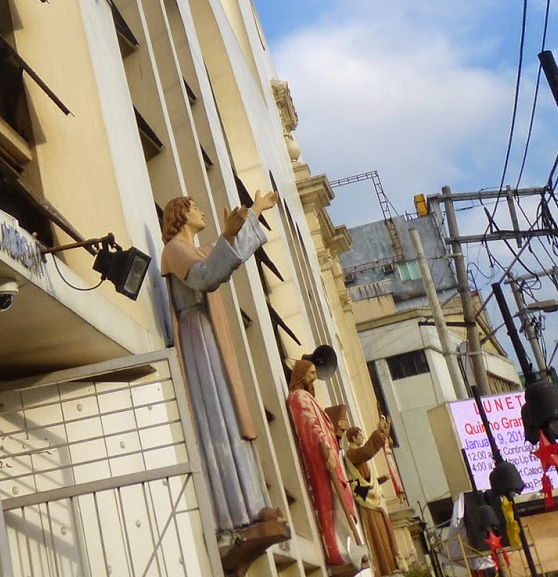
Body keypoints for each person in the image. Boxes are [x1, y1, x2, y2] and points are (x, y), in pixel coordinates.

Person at [160, 192, 285, 544]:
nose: (201, 210)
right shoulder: (174, 250)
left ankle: (252, 503)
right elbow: (204, 276)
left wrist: (255, 212)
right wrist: (228, 236)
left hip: (211, 335)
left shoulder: (197, 249)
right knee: (217, 419)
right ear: (181, 215)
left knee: (231, 417)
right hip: (197, 336)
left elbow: (227, 258)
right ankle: (233, 514)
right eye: (195, 207)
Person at [289, 354, 368, 575]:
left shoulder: (308, 397)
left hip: (330, 456)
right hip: (321, 459)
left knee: (340, 503)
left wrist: (335, 433)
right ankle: (337, 550)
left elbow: (321, 427)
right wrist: (324, 445)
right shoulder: (299, 397)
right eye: (312, 373)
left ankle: (347, 548)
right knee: (329, 503)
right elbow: (311, 425)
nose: (315, 377)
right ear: (302, 375)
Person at [336, 409, 399, 577]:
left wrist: (378, 481)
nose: (362, 438)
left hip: (372, 500)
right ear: (354, 437)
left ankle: (391, 565)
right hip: (366, 503)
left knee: (385, 535)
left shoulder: (357, 454)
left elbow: (364, 478)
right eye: (360, 435)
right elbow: (366, 452)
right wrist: (379, 434)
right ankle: (383, 568)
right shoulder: (352, 454)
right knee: (378, 537)